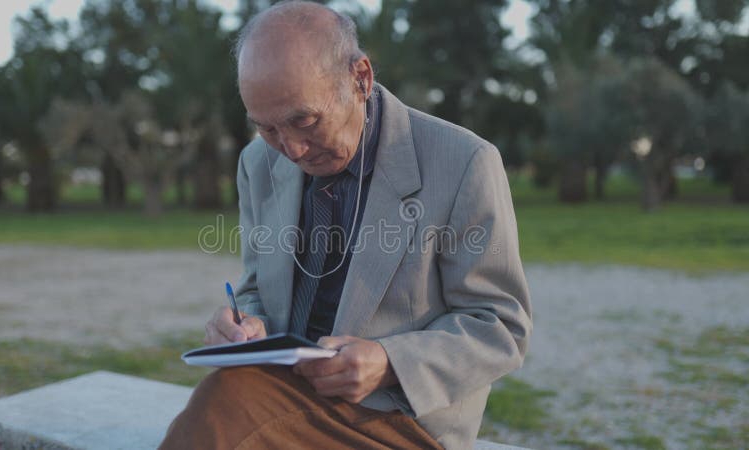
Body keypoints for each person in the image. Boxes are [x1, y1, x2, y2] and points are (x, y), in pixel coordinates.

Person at [160, 1, 531, 449]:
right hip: (281, 392)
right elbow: (256, 288)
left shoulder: (464, 162)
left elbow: (499, 326)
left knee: (224, 408)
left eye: (304, 120)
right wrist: (244, 327)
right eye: (267, 128)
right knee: (225, 401)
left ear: (360, 78)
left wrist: (389, 361)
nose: (291, 149)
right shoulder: (257, 163)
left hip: (400, 423)